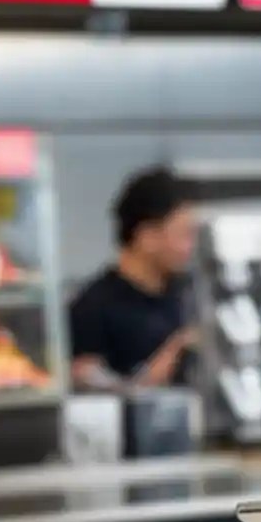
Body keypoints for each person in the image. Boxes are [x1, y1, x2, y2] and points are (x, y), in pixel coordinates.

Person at [69, 167, 199, 391]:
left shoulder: (190, 294)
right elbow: (93, 391)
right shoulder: (92, 309)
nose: (191, 247)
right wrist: (176, 353)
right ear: (147, 236)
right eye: (184, 235)